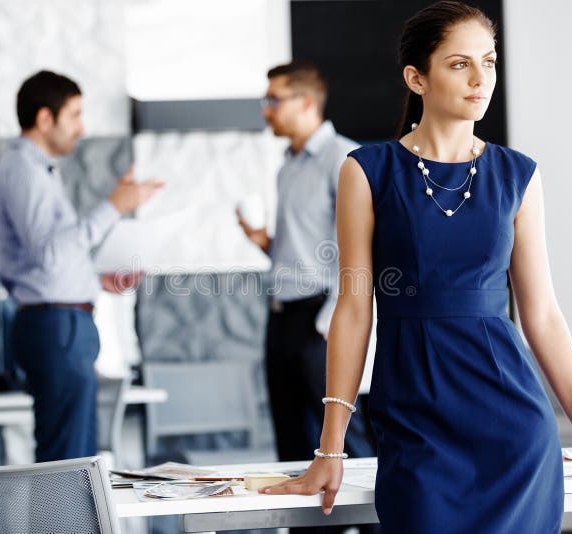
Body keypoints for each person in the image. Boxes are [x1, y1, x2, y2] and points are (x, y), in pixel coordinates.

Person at [259, 2, 572, 532]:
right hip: (414, 417)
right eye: (460, 63)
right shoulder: (367, 171)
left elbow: (541, 316)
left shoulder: (518, 175)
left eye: (489, 62)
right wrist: (330, 447)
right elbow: (355, 310)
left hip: (514, 428)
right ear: (416, 77)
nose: (480, 78)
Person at [0, 70, 163, 462]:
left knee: (78, 460)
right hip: (55, 327)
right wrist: (114, 207)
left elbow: (51, 259)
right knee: (65, 463)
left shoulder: (37, 169)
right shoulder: (23, 170)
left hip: (65, 325)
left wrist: (96, 279)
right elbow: (48, 254)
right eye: (75, 115)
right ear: (45, 118)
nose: (82, 128)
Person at [239, 61, 379, 534]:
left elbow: (362, 249)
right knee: (293, 446)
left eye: (274, 100)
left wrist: (327, 322)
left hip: (320, 318)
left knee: (342, 443)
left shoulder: (346, 159)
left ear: (306, 103)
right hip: (282, 315)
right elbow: (302, 245)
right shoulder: (287, 165)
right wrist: (263, 241)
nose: (266, 110)